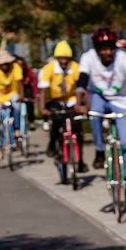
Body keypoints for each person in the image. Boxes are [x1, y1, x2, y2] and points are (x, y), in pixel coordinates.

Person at [81, 27, 126, 211]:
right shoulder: (88, 57)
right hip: (100, 97)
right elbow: (82, 80)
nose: (107, 52)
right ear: (96, 49)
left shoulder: (123, 58)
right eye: (102, 48)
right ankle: (99, 150)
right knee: (94, 114)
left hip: (123, 101)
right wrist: (80, 100)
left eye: (110, 48)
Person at [38, 40, 86, 183]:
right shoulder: (48, 69)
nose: (64, 61)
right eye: (61, 58)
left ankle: (81, 160)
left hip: (72, 100)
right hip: (55, 100)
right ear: (57, 58)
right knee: (56, 122)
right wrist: (42, 108)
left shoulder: (76, 68)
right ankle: (52, 144)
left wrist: (80, 105)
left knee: (77, 128)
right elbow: (43, 90)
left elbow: (81, 88)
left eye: (67, 58)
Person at [0, 44, 27, 164]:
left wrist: (21, 96)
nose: (4, 66)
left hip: (12, 94)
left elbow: (20, 83)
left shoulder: (16, 67)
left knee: (17, 106)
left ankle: (17, 128)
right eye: (1, 64)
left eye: (6, 63)